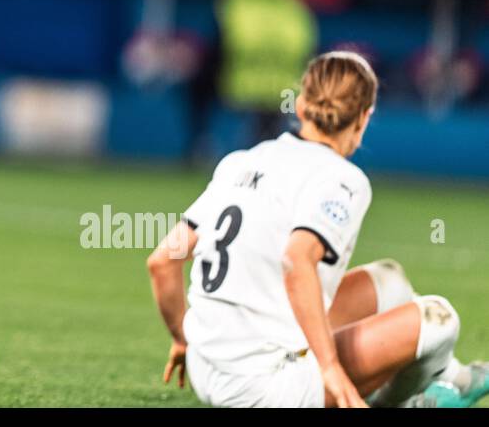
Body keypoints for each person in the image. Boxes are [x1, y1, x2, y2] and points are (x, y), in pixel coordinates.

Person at [147, 51, 488, 407]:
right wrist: (329, 368)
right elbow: (297, 262)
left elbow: (162, 262)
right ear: (364, 117)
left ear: (300, 105)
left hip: (206, 368)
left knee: (390, 281)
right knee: (439, 318)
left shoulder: (240, 162)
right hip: (267, 387)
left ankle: (456, 377)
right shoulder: (343, 179)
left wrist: (184, 339)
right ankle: (399, 404)